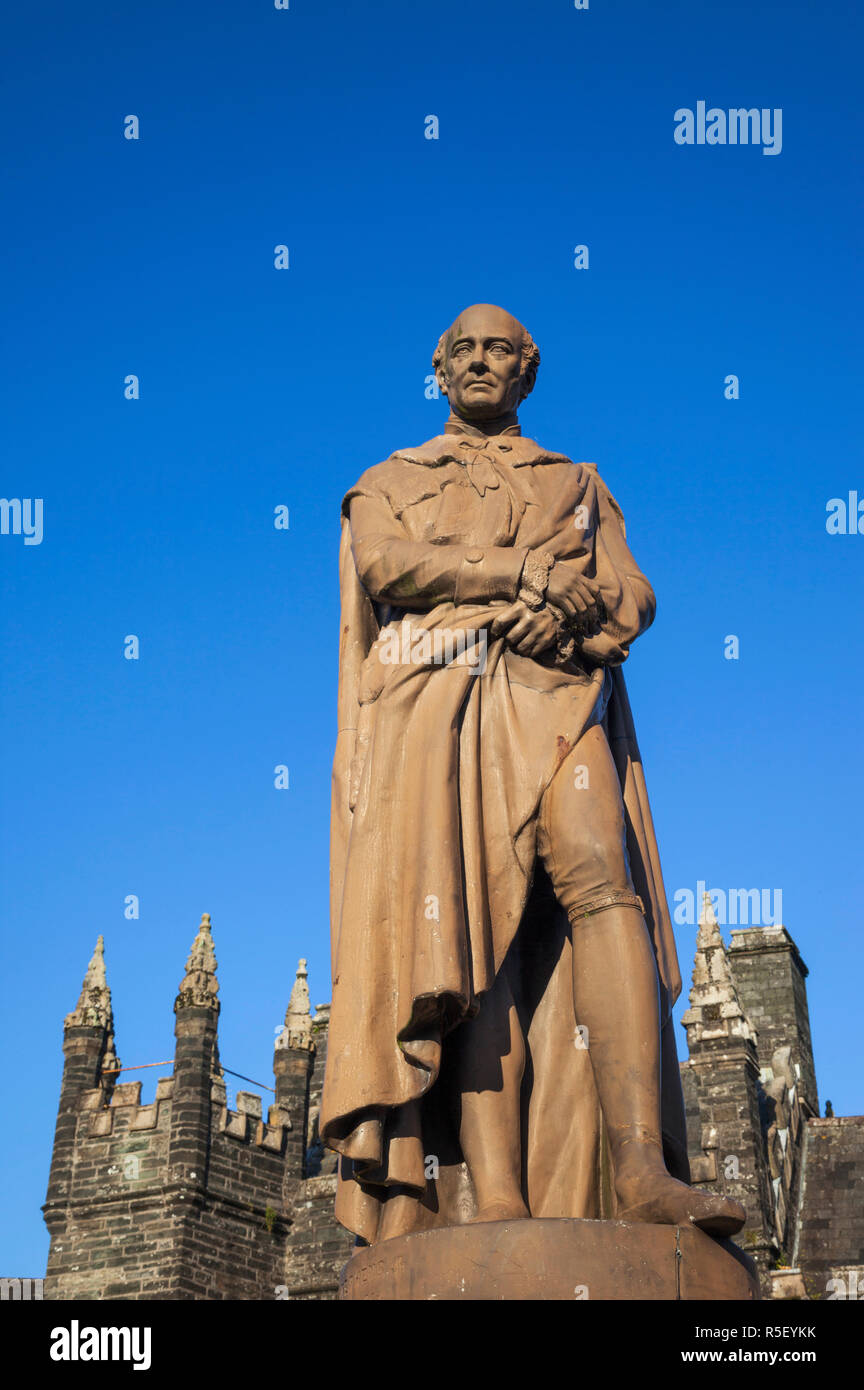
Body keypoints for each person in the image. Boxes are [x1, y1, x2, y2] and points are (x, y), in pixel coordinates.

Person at [321, 303, 745, 1245]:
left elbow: (632, 595)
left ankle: (639, 1166)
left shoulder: (579, 483)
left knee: (606, 887)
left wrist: (574, 606)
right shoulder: (387, 481)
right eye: (463, 351)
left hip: (556, 691)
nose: (480, 363)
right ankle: (499, 1196)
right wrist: (521, 575)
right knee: (477, 936)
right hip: (437, 708)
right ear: (439, 369)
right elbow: (388, 565)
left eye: (499, 352)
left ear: (528, 371)